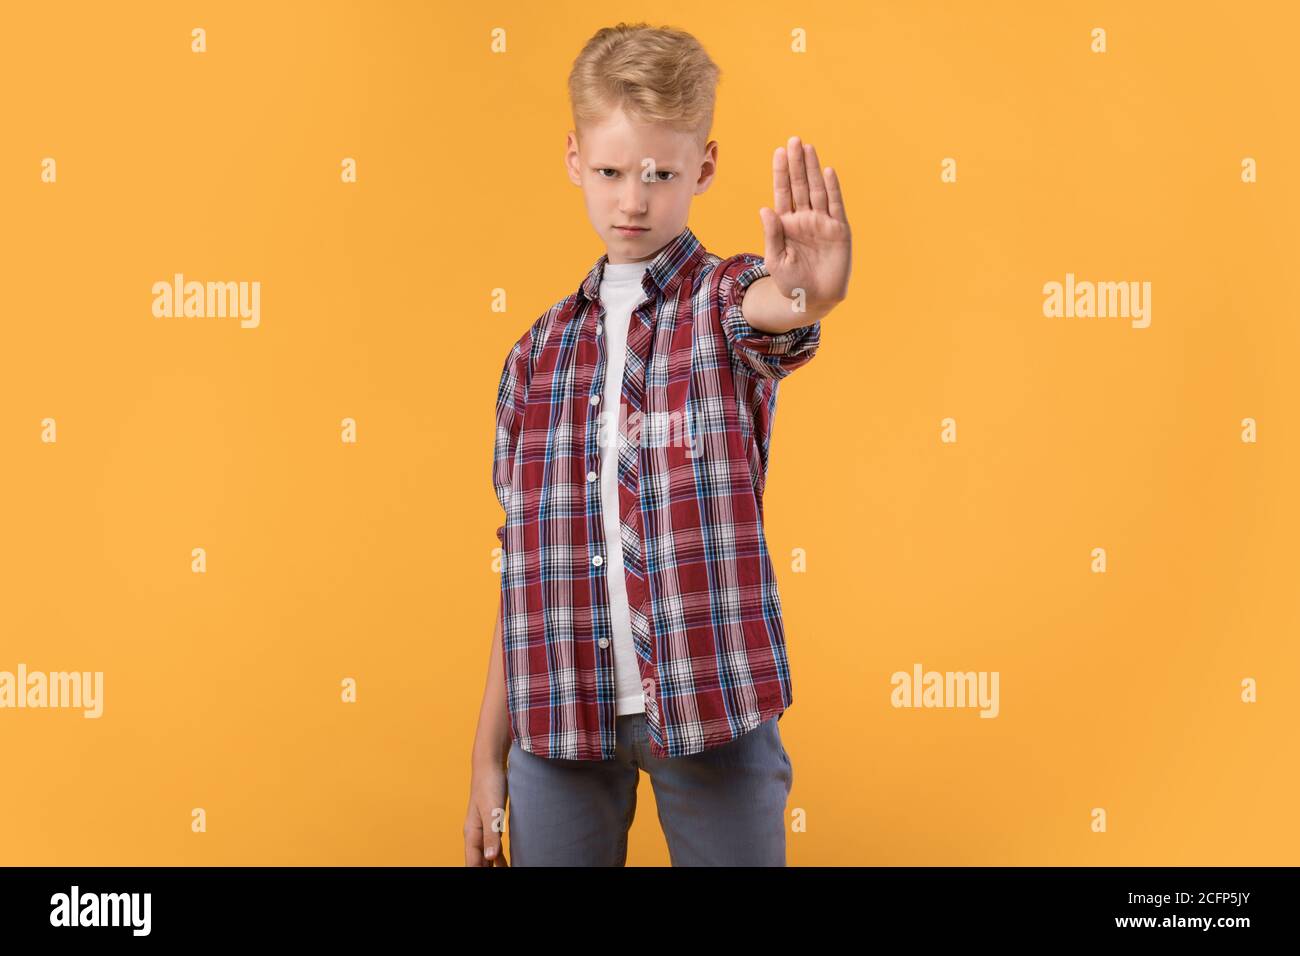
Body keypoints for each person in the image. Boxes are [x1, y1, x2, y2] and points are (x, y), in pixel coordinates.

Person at [464, 21, 851, 867]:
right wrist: (486, 759)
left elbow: (773, 311)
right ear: (574, 159)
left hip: (710, 711)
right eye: (608, 172)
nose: (631, 201)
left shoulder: (720, 304)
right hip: (557, 719)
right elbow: (517, 569)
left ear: (702, 168)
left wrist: (809, 296)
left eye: (658, 175)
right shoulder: (534, 357)